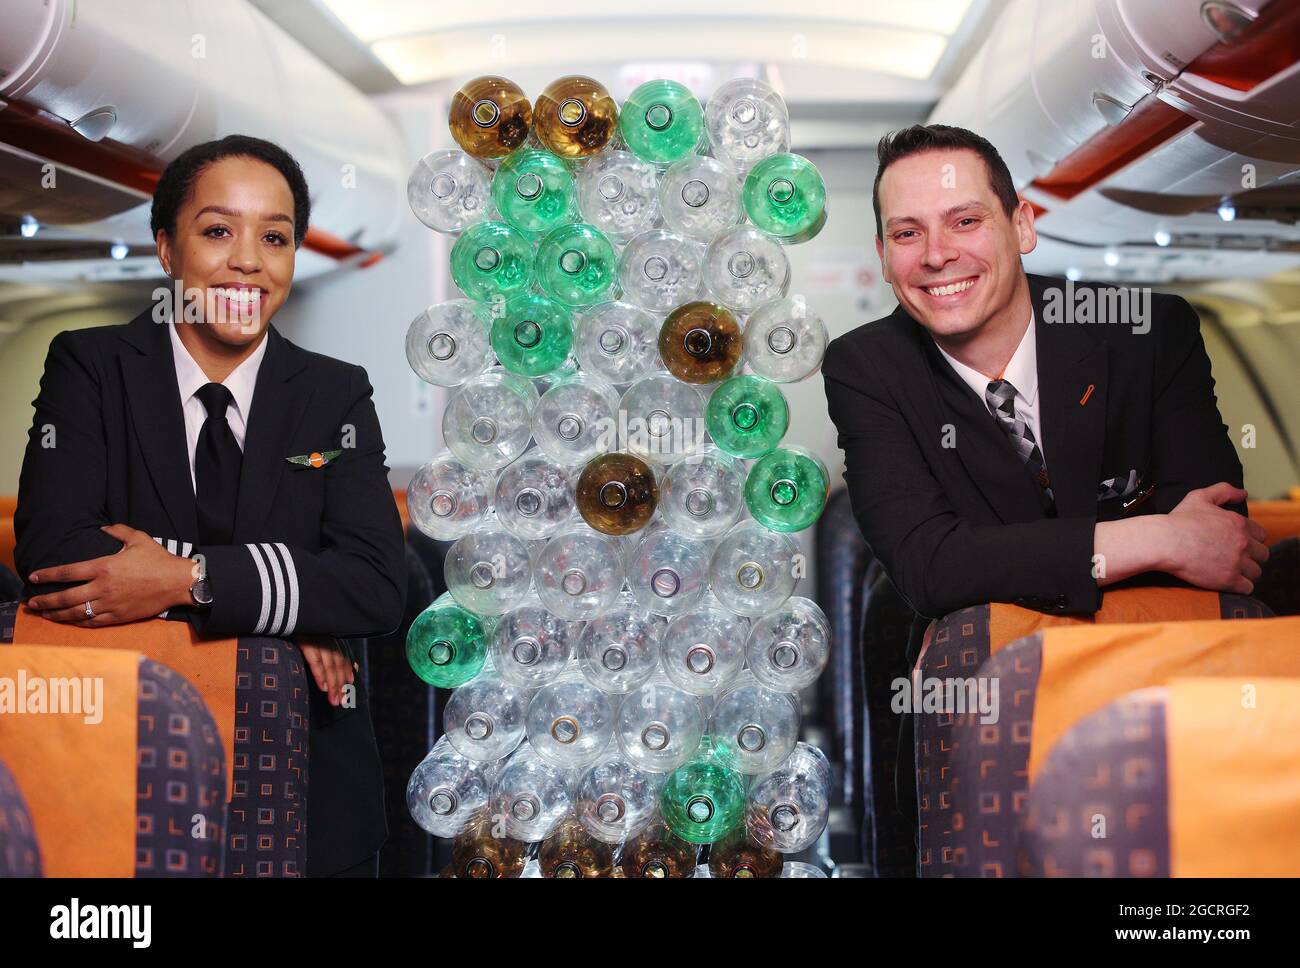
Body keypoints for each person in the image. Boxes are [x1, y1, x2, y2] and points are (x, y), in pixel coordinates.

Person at [822, 123, 1269, 821]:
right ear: (883, 257)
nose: (938, 256)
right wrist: (1156, 539)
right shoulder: (868, 369)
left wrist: (1002, 576)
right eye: (907, 234)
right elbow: (930, 567)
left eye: (964, 221)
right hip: (980, 701)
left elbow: (1217, 545)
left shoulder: (1145, 332)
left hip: (1160, 678)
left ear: (1022, 225)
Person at [14, 134, 407, 877]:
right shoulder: (92, 366)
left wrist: (186, 581)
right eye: (218, 230)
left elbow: (375, 584)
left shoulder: (333, 393)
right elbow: (55, 550)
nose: (249, 261)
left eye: (276, 237)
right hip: (130, 765)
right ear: (167, 248)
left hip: (314, 792)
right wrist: (291, 620)